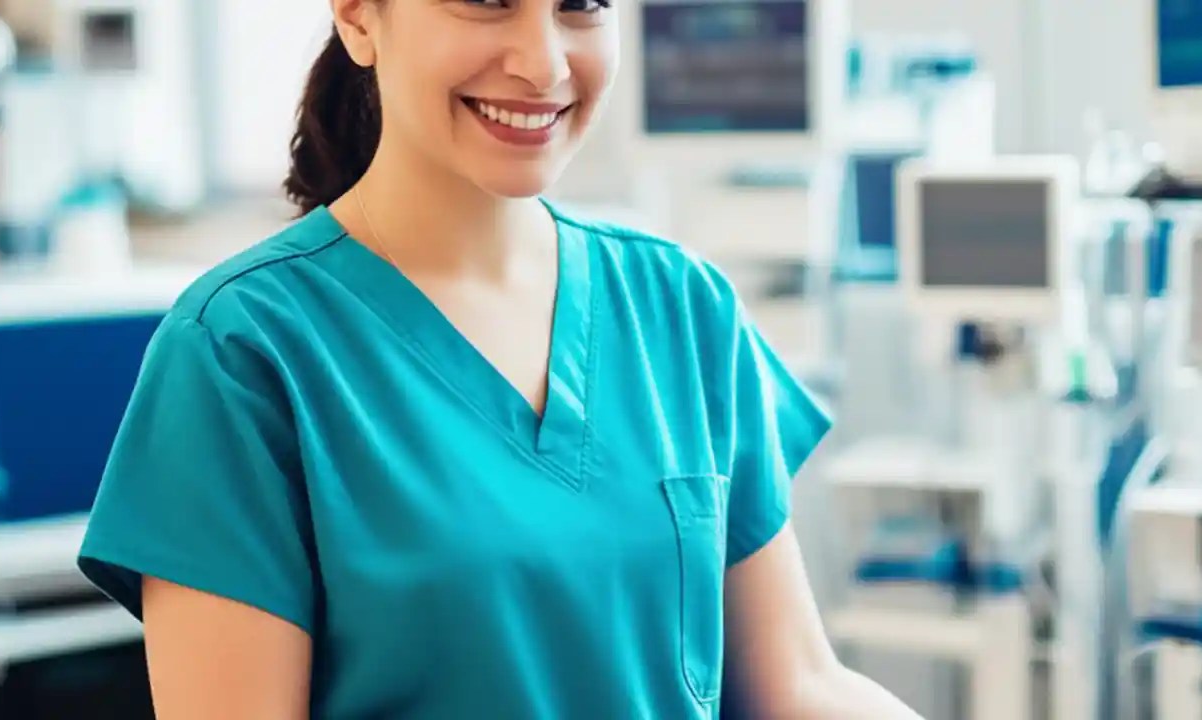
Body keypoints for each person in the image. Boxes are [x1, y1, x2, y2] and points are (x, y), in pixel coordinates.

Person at [78, 1, 924, 718]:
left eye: (582, 4)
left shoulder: (680, 304)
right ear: (358, 16)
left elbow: (799, 686)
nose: (543, 62)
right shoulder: (244, 352)